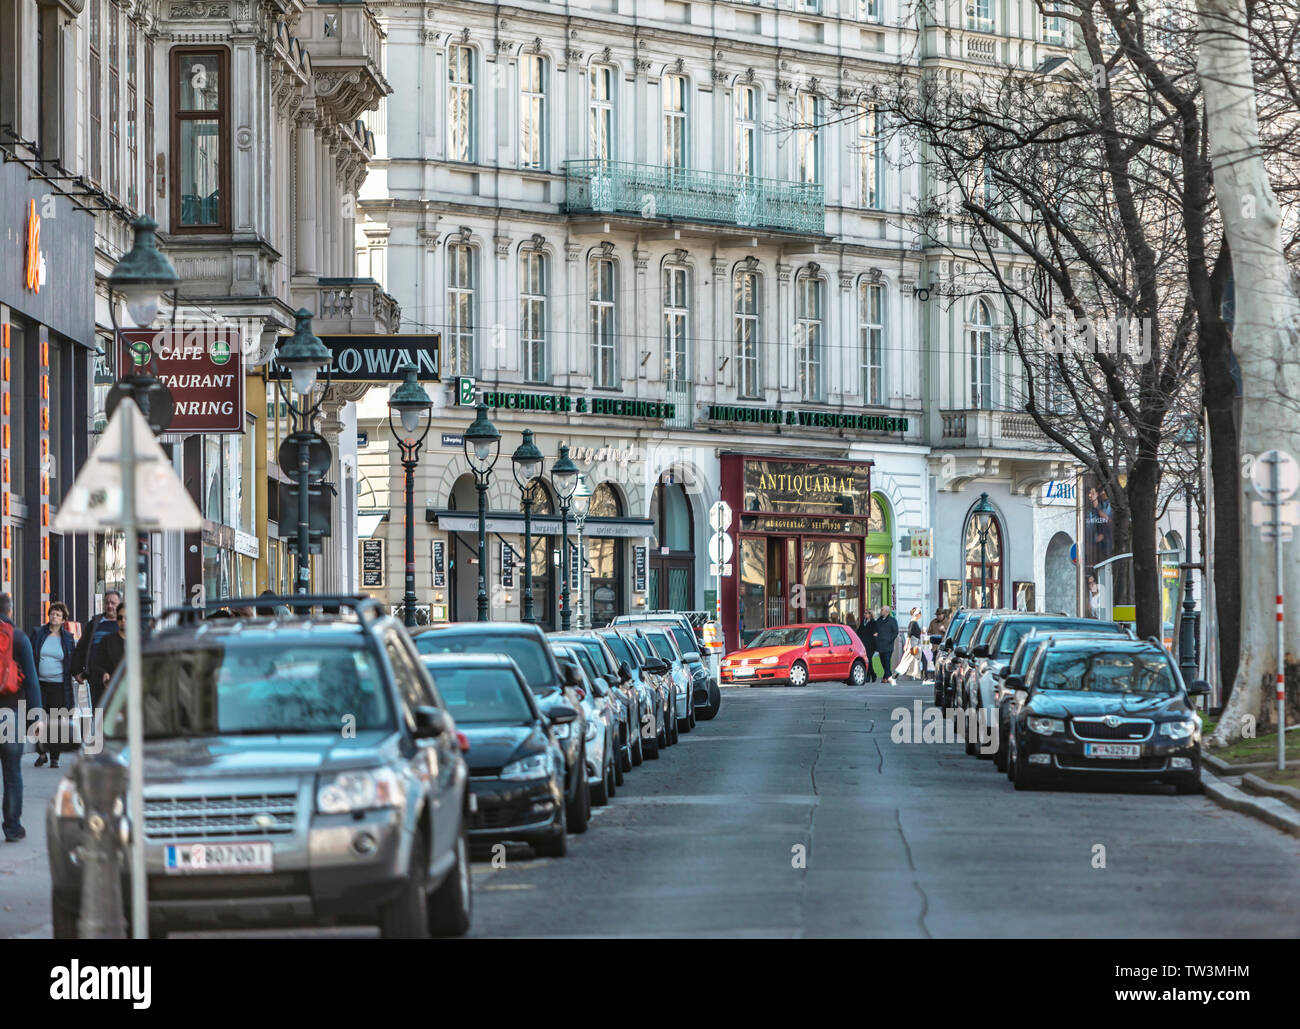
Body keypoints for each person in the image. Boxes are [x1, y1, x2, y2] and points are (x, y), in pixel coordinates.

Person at [0, 594, 41, 842]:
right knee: (12, 773)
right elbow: (33, 681)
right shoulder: (19, 637)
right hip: (10, 713)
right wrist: (36, 718)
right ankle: (13, 827)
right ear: (10, 611)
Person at [29, 602, 75, 769]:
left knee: (56, 722)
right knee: (34, 718)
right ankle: (41, 753)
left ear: (63, 619)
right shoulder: (38, 633)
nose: (54, 617)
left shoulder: (68, 639)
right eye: (52, 614)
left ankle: (55, 756)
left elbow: (72, 661)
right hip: (39, 684)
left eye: (57, 614)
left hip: (59, 686)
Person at [71, 589, 121, 691]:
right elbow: (82, 647)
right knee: (98, 707)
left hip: (119, 678)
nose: (110, 606)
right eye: (107, 603)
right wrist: (77, 671)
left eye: (113, 603)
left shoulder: (124, 625)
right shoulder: (94, 624)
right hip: (96, 678)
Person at [87, 604, 127, 710]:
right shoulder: (107, 640)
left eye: (127, 618)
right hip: (110, 694)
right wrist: (103, 674)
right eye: (120, 617)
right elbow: (96, 665)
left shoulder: (140, 641)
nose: (123, 620)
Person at [895, 608, 925, 681]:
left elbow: (913, 633)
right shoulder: (913, 623)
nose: (920, 615)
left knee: (920, 660)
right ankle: (894, 676)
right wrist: (906, 645)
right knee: (906, 661)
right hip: (913, 645)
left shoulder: (914, 622)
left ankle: (925, 677)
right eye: (920, 613)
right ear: (917, 614)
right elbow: (909, 634)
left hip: (914, 644)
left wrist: (921, 631)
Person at [875, 605, 900, 685]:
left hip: (888, 644)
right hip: (880, 644)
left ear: (887, 612)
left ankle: (886, 677)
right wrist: (876, 635)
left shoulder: (892, 620)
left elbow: (895, 631)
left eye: (882, 610)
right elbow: (876, 628)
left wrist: (890, 639)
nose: (880, 611)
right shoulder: (879, 620)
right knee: (883, 661)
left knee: (887, 661)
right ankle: (888, 676)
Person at [856, 609, 879, 683]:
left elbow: (875, 634)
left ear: (870, 614)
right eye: (864, 613)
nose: (864, 614)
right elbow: (859, 632)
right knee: (867, 660)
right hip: (863, 644)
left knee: (868, 660)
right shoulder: (863, 622)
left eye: (866, 613)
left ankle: (868, 676)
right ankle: (873, 674)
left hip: (870, 645)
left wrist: (875, 646)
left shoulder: (874, 623)